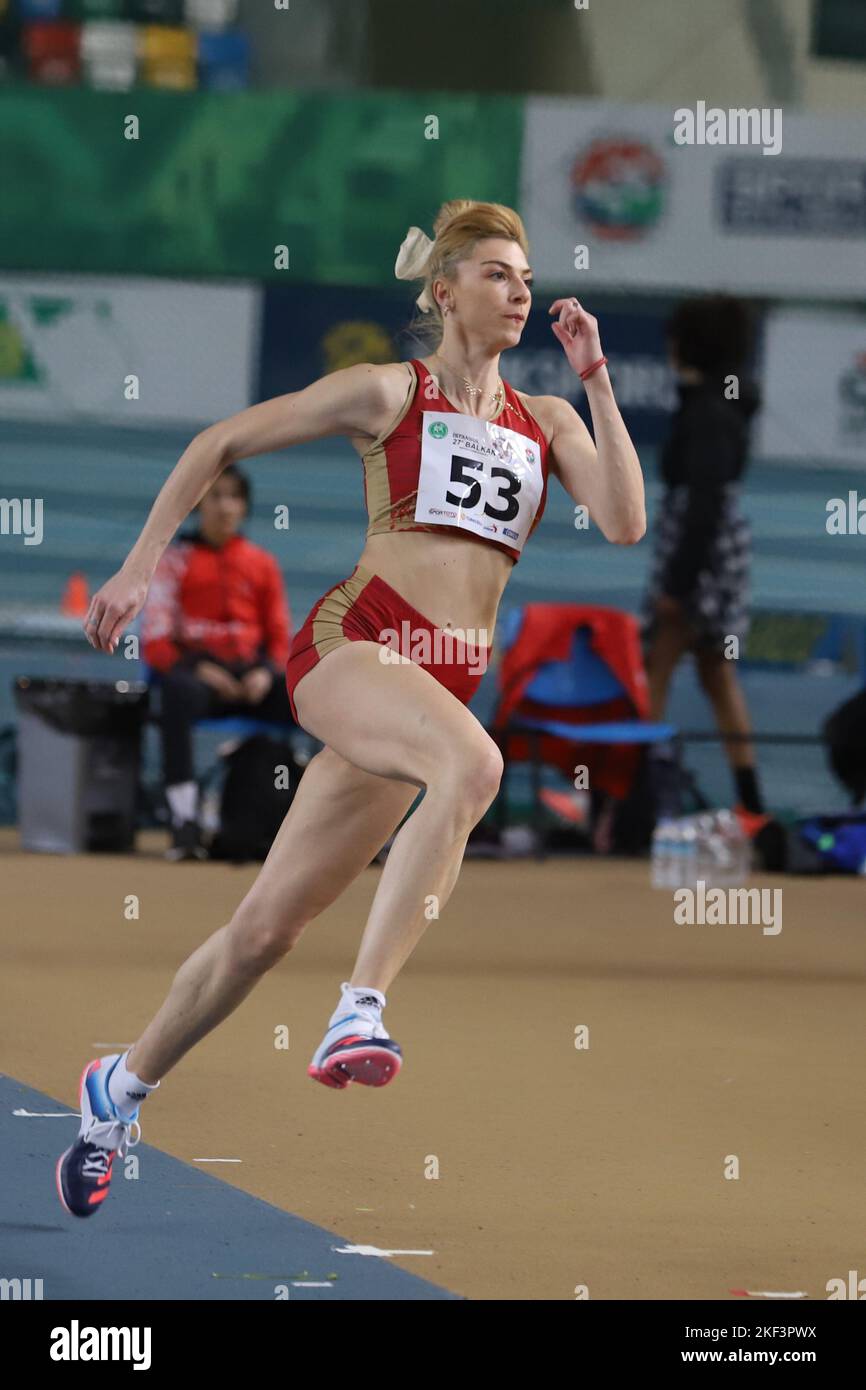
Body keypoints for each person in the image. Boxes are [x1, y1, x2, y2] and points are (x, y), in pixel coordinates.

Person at [57, 199, 645, 1219]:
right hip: (353, 645)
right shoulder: (388, 391)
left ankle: (119, 1088)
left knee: (264, 933)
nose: (520, 292)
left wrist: (594, 377)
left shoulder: (546, 419)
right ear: (444, 291)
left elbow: (625, 523)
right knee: (476, 766)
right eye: (497, 274)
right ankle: (359, 1010)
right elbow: (221, 439)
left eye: (526, 276)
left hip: (433, 690)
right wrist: (140, 566)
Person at [641, 294, 767, 829]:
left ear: (692, 345)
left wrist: (678, 584)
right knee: (717, 673)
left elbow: (704, 502)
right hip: (716, 547)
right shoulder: (719, 402)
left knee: (655, 666)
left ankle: (636, 800)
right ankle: (752, 804)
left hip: (700, 550)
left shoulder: (709, 411)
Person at [141, 465, 294, 861]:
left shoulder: (262, 563)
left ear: (244, 506)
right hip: (198, 679)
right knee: (175, 694)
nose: (226, 507)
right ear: (199, 505)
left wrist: (266, 672)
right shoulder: (173, 562)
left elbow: (280, 639)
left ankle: (334, 824)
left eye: (234, 497)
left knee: (315, 696)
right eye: (216, 496)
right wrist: (200, 669)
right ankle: (185, 822)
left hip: (253, 679)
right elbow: (155, 642)